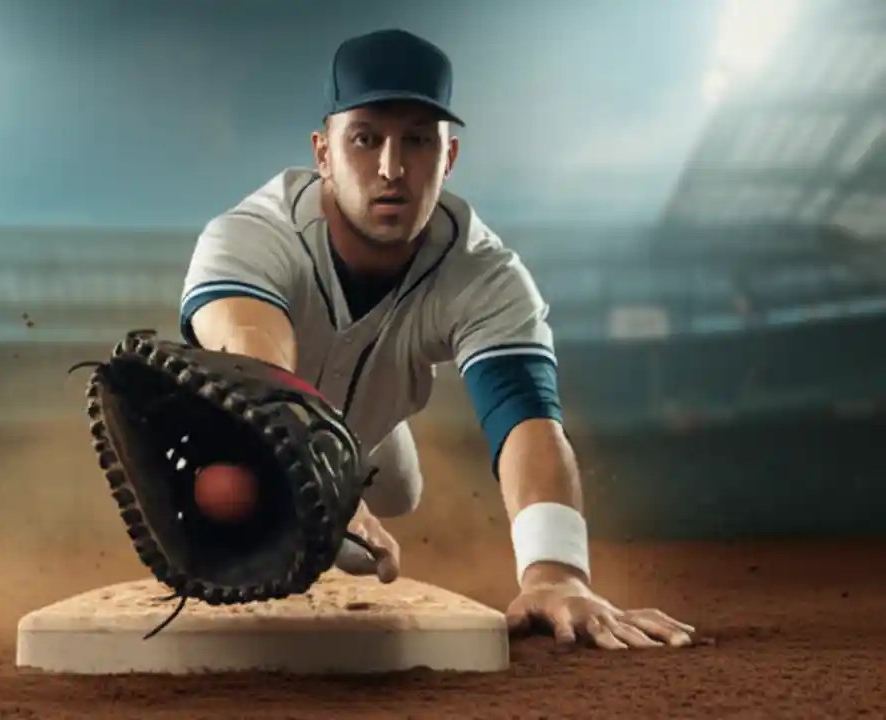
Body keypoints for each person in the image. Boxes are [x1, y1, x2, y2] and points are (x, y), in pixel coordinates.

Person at [177, 28, 695, 650]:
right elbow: (248, 353)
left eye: (417, 140)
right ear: (323, 153)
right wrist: (311, 468)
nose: (391, 168)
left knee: (398, 491)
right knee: (229, 489)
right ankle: (324, 459)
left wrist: (556, 571)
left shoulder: (486, 273)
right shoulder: (251, 236)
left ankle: (367, 439)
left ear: (448, 159)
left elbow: (526, 418)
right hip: (267, 427)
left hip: (365, 437)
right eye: (365, 139)